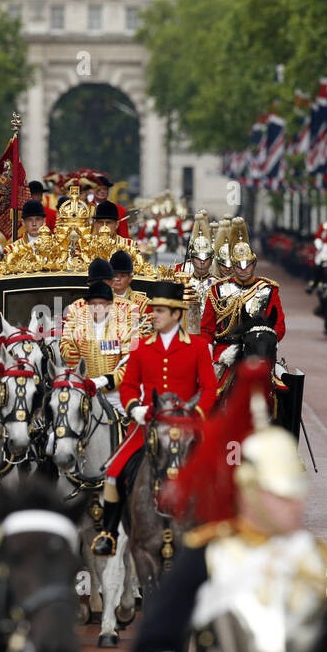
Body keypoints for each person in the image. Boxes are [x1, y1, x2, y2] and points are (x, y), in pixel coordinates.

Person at [120, 359, 327, 652]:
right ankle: (107, 527)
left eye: (297, 491)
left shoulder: (318, 558)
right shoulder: (208, 555)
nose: (296, 504)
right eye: (281, 493)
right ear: (251, 492)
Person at [93, 281, 218, 557]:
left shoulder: (197, 347)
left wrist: (196, 414)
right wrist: (133, 406)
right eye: (153, 310)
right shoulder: (140, 348)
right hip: (148, 424)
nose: (153, 315)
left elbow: (210, 388)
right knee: (113, 472)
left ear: (176, 314)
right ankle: (109, 534)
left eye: (160, 310)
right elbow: (127, 385)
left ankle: (218, 532)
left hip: (186, 427)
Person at [200, 217, 286, 380]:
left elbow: (279, 326)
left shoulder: (268, 290)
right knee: (207, 388)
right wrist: (209, 351)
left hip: (258, 351)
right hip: (223, 351)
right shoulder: (218, 290)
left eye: (248, 265)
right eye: (239, 265)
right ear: (233, 265)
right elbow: (206, 328)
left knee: (285, 382)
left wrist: (262, 344)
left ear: (254, 264)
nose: (244, 269)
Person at [59, 266, 145, 413]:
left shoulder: (123, 325)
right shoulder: (78, 318)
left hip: (116, 393)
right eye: (93, 304)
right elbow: (70, 359)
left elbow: (131, 364)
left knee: (135, 422)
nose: (97, 308)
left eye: (101, 304)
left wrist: (104, 381)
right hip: (83, 390)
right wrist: (74, 341)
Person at [180, 211, 218, 328]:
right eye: (198, 258)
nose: (202, 262)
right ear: (191, 259)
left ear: (211, 260)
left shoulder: (218, 285)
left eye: (206, 258)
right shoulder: (181, 281)